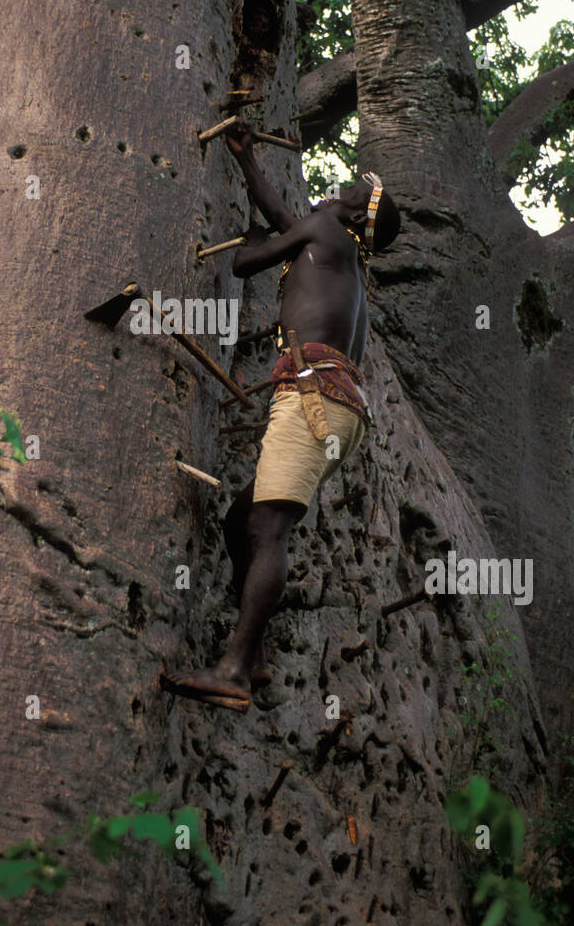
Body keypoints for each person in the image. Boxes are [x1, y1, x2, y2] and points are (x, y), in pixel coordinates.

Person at [160, 123, 401, 712]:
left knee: (268, 530)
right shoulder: (339, 257)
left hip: (314, 400)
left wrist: (249, 233)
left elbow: (245, 263)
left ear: (353, 210)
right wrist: (247, 164)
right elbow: (289, 227)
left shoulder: (326, 234)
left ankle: (235, 672)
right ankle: (258, 657)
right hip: (336, 410)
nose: (340, 185)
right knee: (241, 522)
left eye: (350, 187)